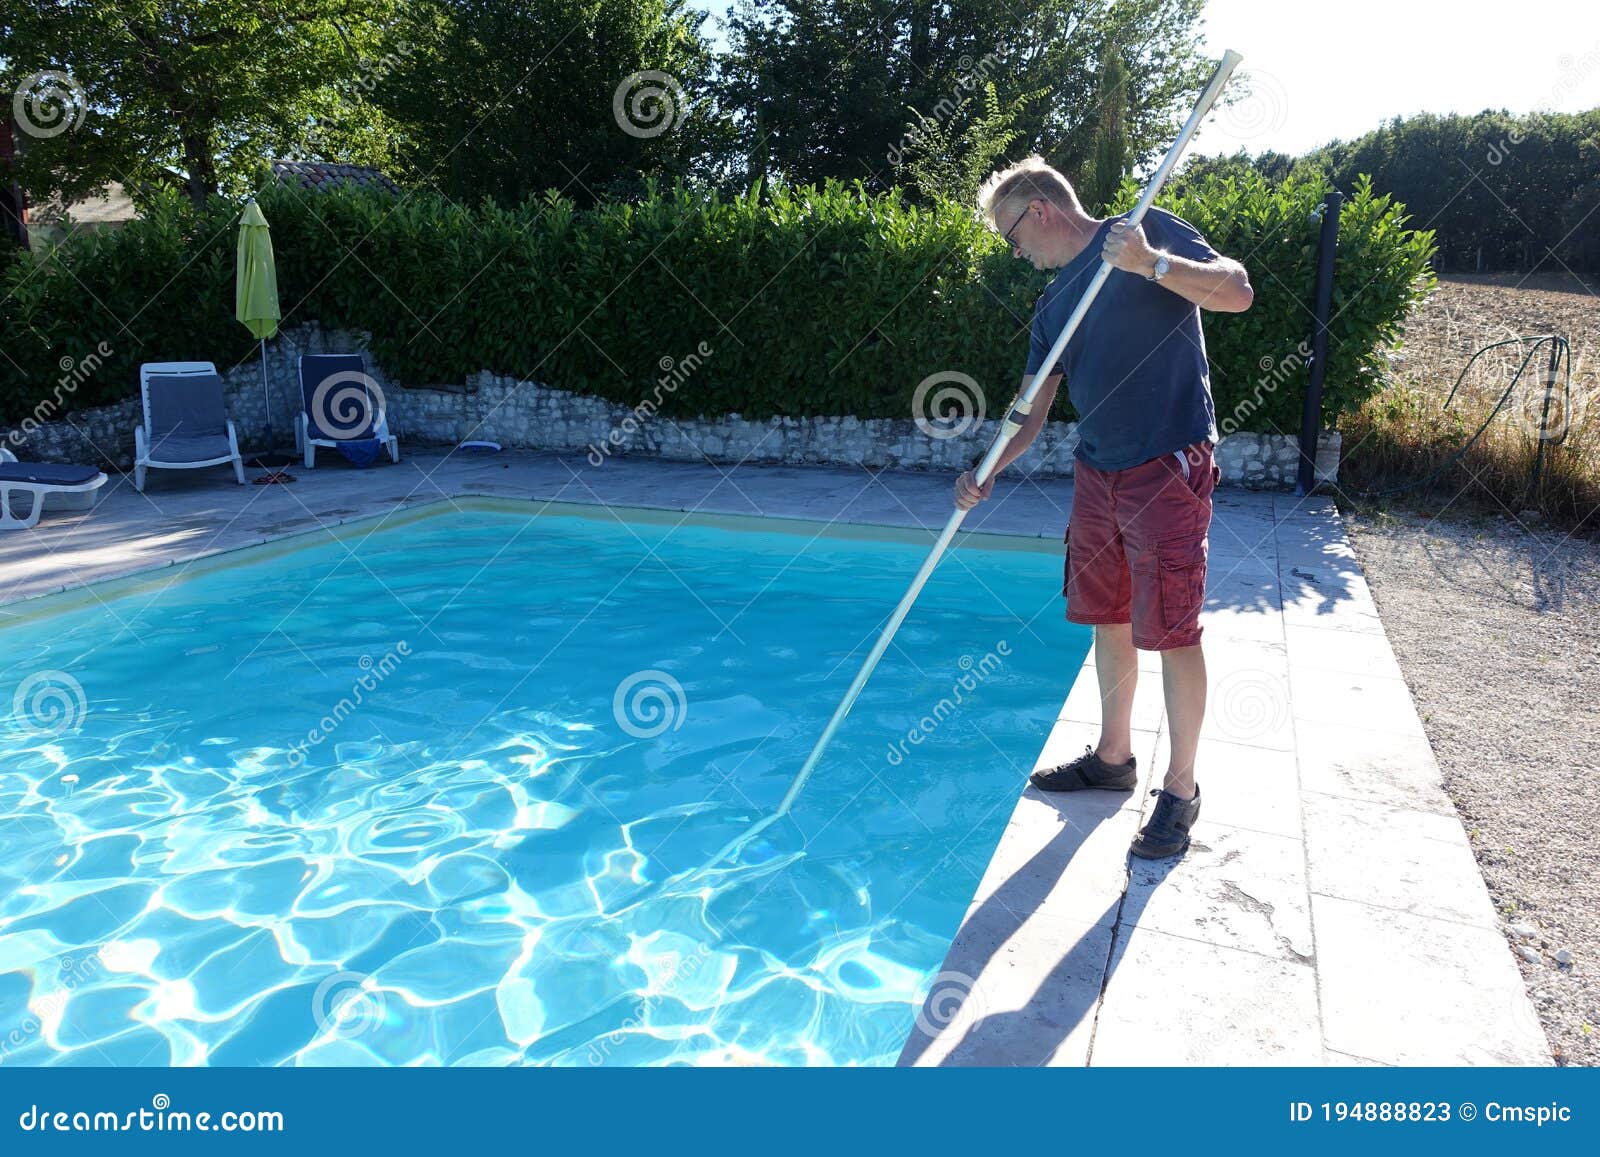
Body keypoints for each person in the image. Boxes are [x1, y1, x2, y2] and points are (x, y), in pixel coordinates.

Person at [956, 155, 1254, 859]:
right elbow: (1030, 411)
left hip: (1168, 461)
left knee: (1173, 628)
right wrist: (986, 468)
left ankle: (1180, 790)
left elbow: (1238, 291)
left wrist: (1149, 264)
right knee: (1107, 615)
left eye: (1010, 235)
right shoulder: (1054, 305)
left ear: (1040, 211)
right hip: (1098, 471)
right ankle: (1113, 757)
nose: (1015, 252)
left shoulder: (1144, 230)